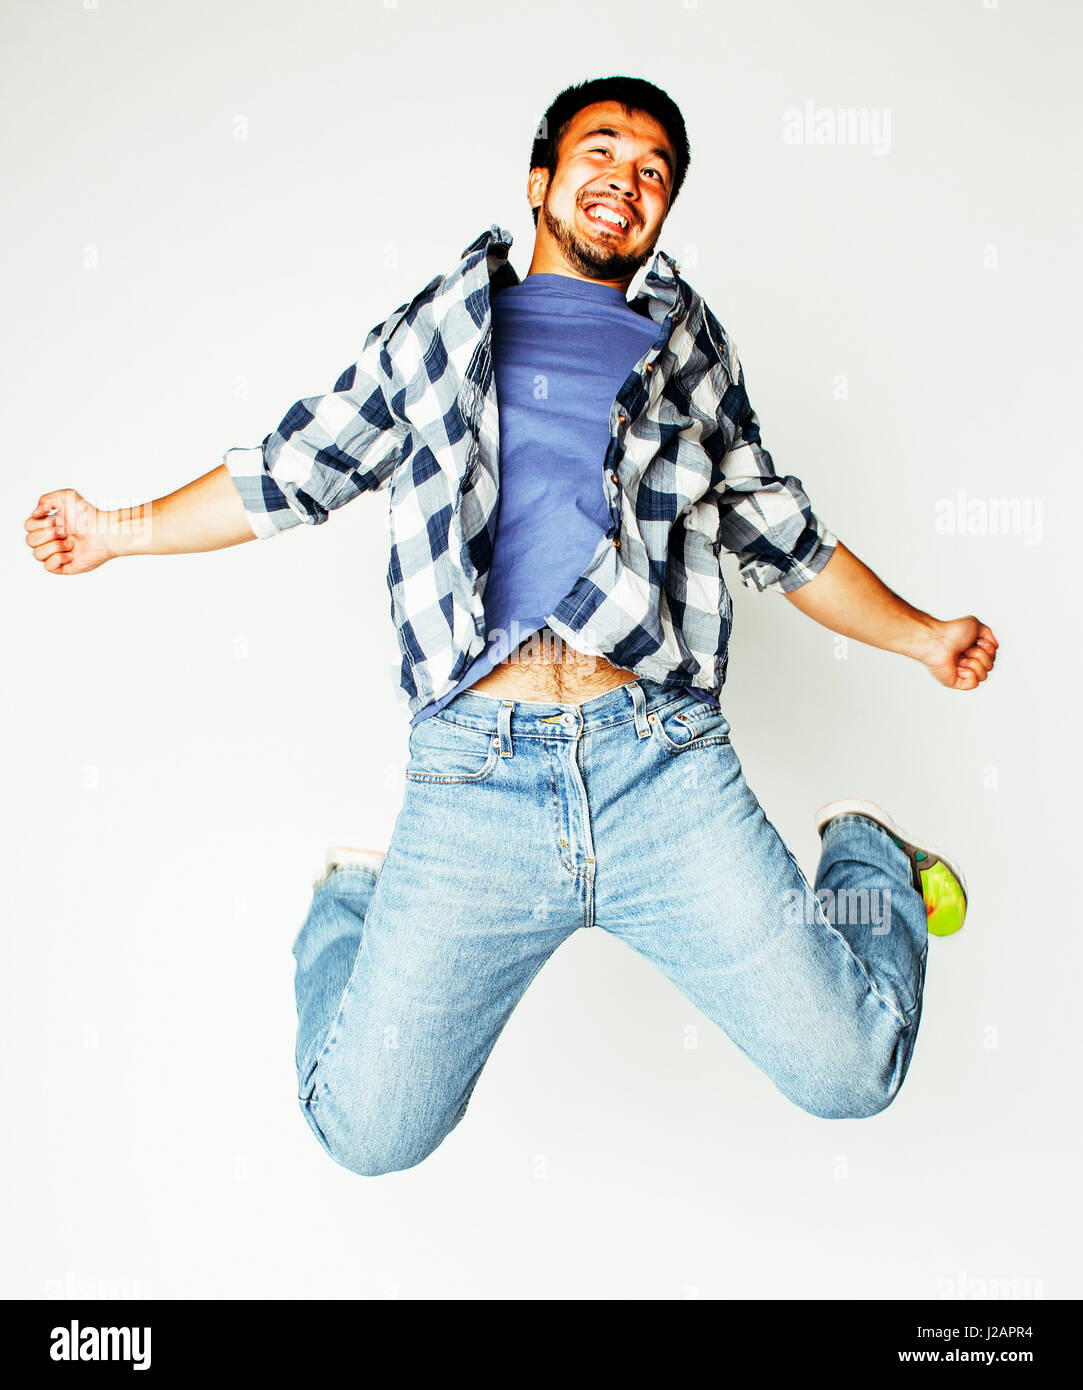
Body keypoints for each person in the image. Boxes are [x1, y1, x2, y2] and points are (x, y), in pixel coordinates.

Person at [24, 76, 998, 1177]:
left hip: (660, 769)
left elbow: (783, 536)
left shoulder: (684, 348)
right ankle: (353, 898)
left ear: (661, 212)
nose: (625, 180)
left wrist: (923, 636)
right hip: (474, 778)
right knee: (368, 1131)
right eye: (602, 150)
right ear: (542, 180)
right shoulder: (440, 330)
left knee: (853, 1068)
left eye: (653, 172)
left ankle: (870, 850)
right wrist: (117, 527)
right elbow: (289, 471)